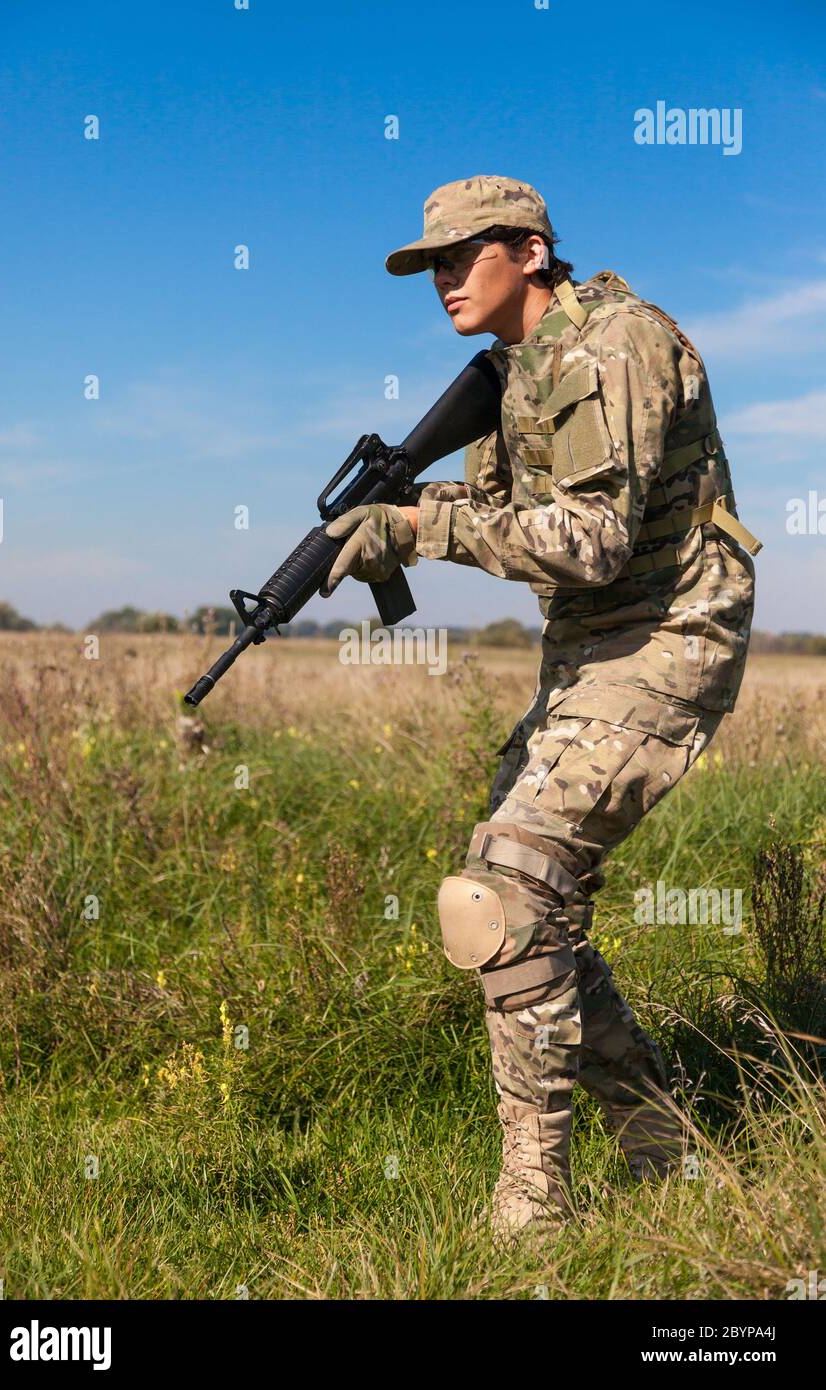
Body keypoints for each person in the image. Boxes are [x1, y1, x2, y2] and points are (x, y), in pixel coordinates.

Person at [320, 175, 760, 1242]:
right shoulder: (512, 373)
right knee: (516, 894)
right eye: (426, 264)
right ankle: (660, 1142)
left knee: (503, 888)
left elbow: (593, 543)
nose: (438, 281)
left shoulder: (612, 345)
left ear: (526, 249)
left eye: (457, 257)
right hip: (587, 651)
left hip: (666, 637)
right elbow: (512, 517)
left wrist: (416, 530)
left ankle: (532, 1204)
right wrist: (408, 511)